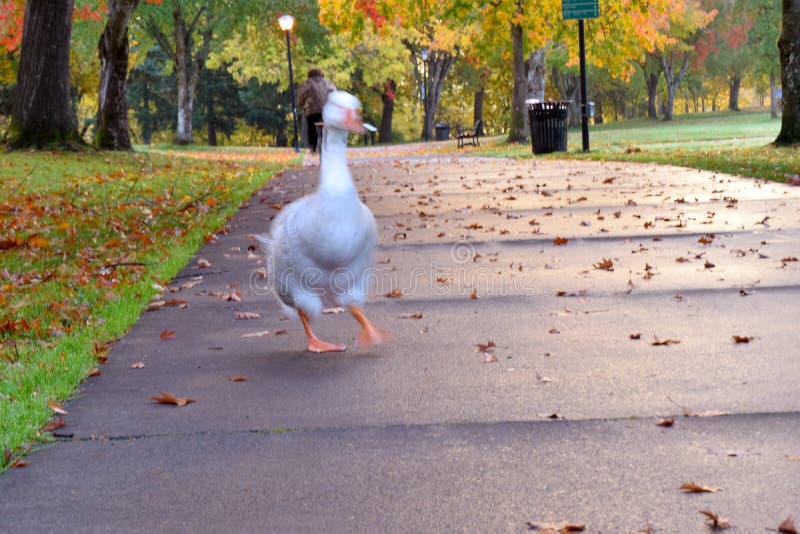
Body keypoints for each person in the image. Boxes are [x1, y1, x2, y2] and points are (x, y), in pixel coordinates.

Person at [297, 68, 336, 153]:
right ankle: (327, 144)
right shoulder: (328, 83)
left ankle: (313, 146)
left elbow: (301, 96)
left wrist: (301, 105)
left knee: (311, 127)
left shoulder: (306, 83)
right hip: (326, 109)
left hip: (311, 110)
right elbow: (334, 94)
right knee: (326, 126)